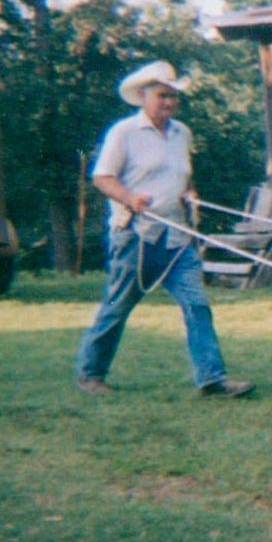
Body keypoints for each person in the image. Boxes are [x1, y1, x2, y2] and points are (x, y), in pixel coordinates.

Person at [74, 60, 255, 398]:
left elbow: (180, 177)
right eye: (162, 96)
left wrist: (189, 194)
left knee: (196, 304)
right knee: (118, 306)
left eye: (173, 96)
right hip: (136, 235)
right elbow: (102, 177)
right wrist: (130, 198)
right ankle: (90, 374)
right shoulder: (124, 132)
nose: (169, 103)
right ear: (143, 96)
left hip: (177, 235)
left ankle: (213, 379)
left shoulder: (181, 133)